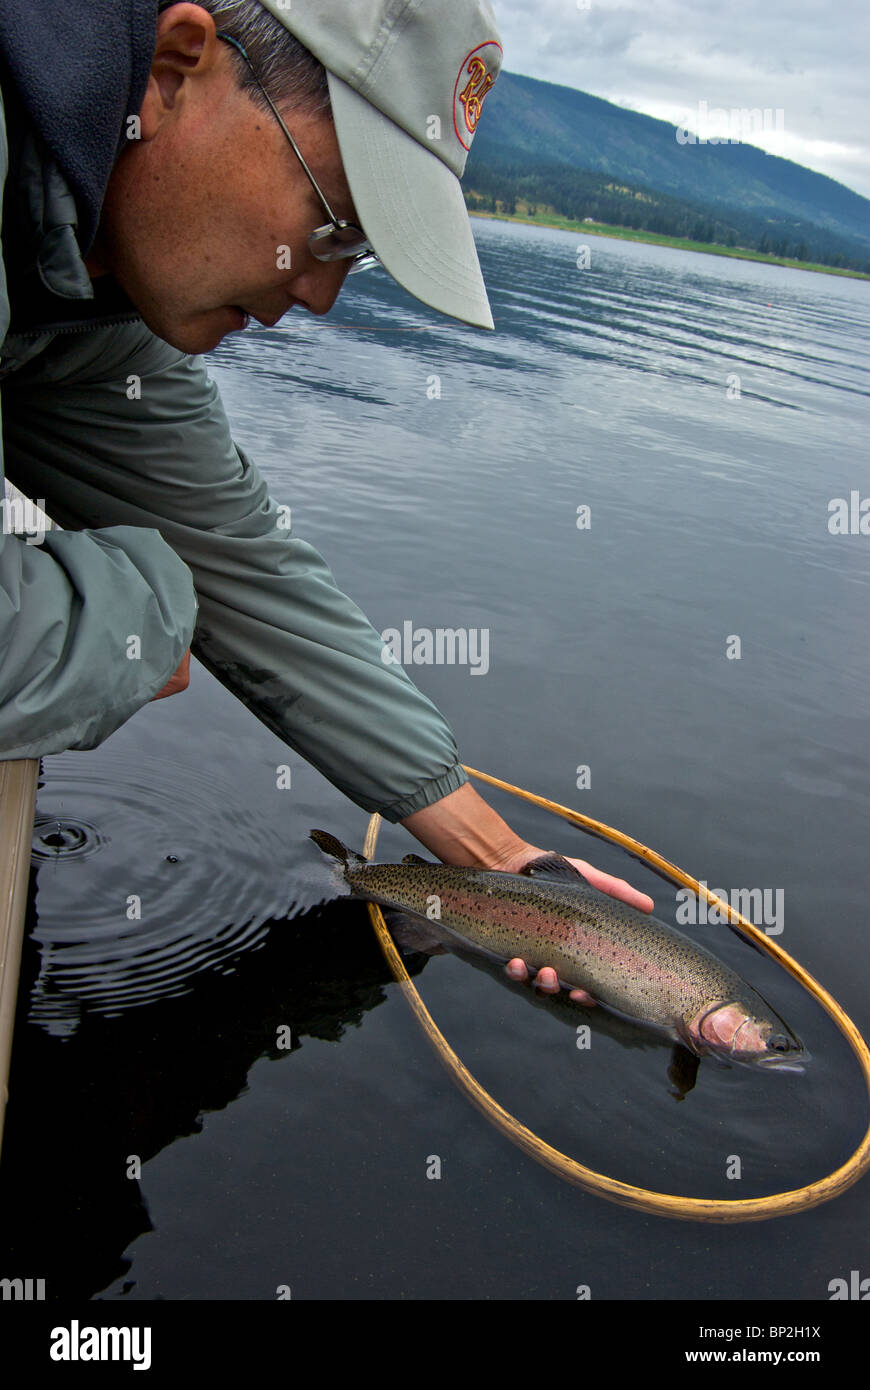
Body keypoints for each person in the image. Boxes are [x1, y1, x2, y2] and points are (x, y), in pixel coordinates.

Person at [0, 0, 652, 1001]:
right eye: (332, 223)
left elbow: (242, 563)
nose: (318, 297)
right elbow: (182, 584)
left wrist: (496, 855)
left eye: (358, 255)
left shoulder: (101, 292)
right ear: (179, 67)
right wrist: (137, 613)